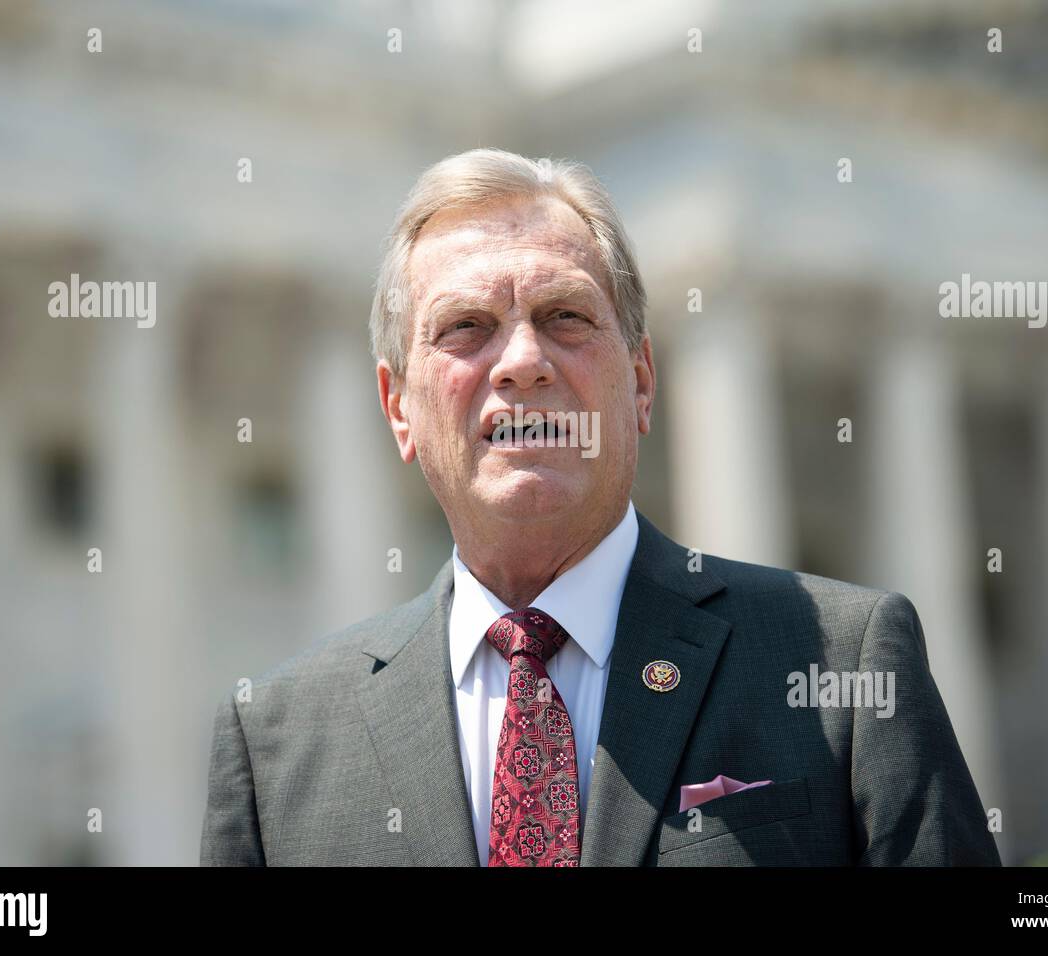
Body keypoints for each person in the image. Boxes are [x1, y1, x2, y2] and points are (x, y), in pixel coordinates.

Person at [200, 147, 1001, 866]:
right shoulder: (276, 742)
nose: (521, 361)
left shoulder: (840, 661)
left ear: (642, 380)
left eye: (565, 317)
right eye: (467, 327)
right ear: (399, 407)